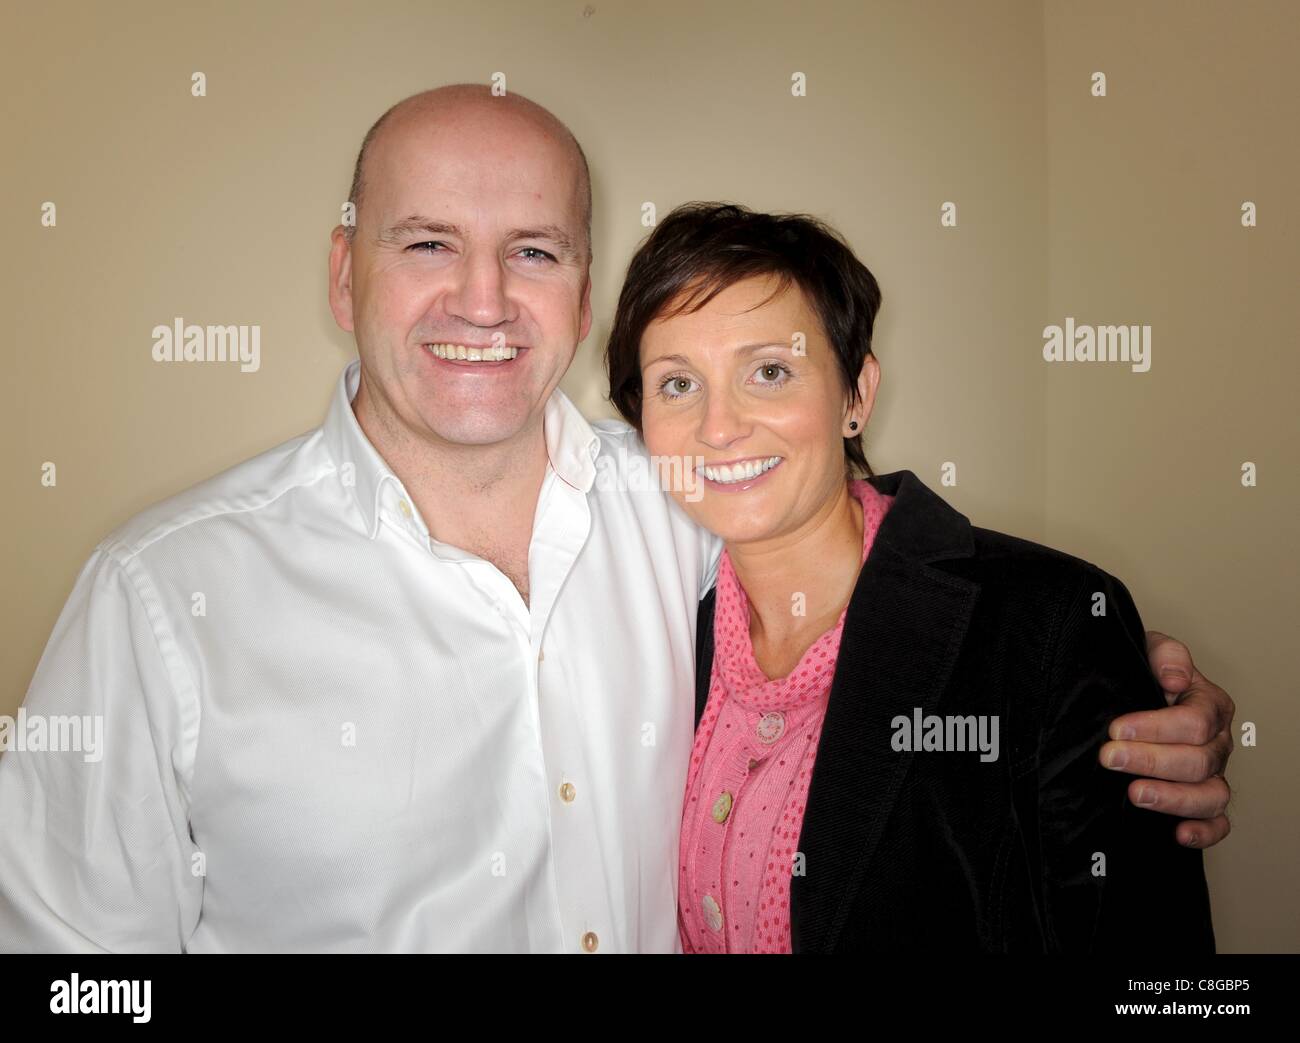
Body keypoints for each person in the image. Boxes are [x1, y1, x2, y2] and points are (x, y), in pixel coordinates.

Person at [0, 86, 1231, 953]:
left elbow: (908, 603)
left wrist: (1128, 690)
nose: (481, 298)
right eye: (427, 241)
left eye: (531, 251)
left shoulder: (688, 507)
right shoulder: (161, 596)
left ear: (581, 290)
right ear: (343, 275)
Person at [607, 201, 1219, 952]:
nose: (719, 426)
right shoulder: (667, 640)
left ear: (856, 396)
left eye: (769, 371)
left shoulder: (1048, 622)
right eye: (677, 384)